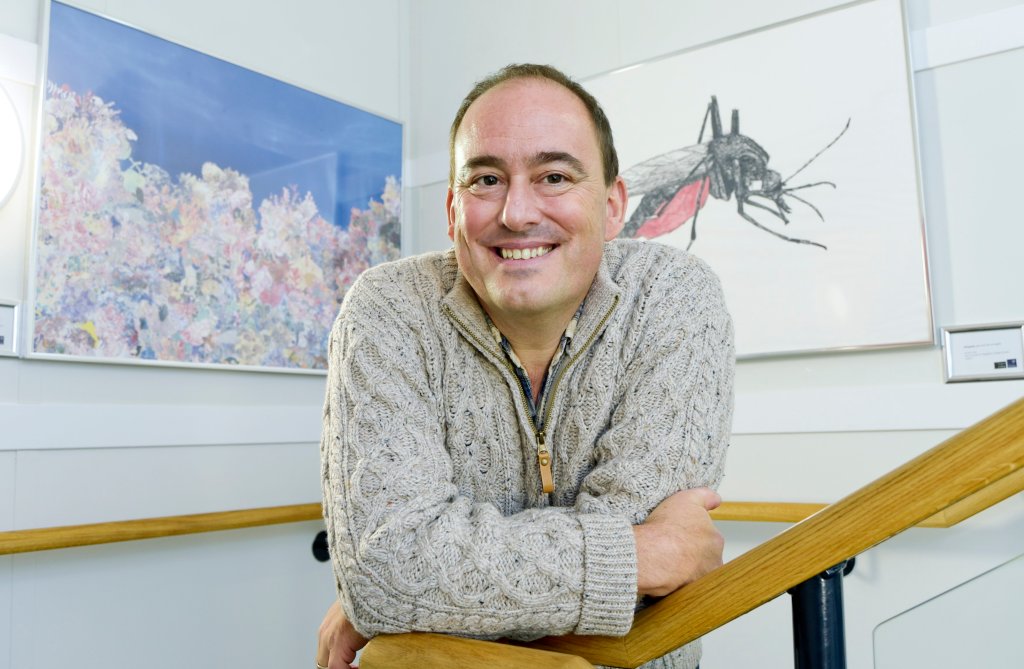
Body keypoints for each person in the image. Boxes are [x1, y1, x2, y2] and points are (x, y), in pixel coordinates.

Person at [316, 63, 734, 669]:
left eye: (555, 176)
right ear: (453, 209)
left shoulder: (674, 297)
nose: (516, 212)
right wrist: (632, 559)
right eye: (486, 179)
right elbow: (387, 570)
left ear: (613, 206)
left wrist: (414, 594)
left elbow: (649, 607)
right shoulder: (386, 308)